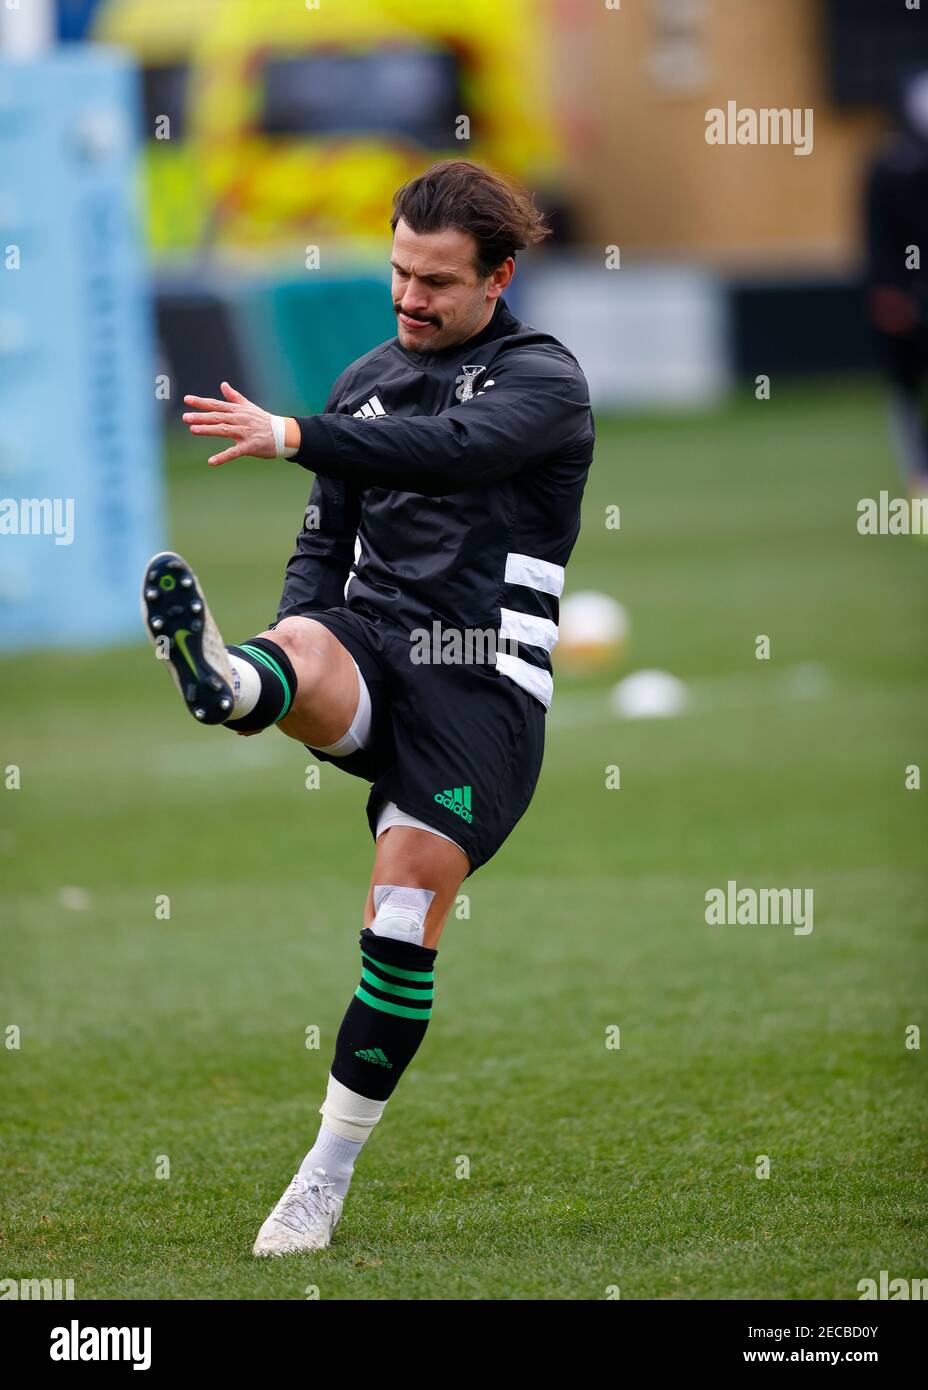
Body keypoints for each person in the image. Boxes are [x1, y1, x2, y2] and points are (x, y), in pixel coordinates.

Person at [142, 160, 595, 1255]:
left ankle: (322, 1174)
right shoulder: (362, 378)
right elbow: (320, 549)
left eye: (436, 281)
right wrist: (301, 614)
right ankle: (231, 680)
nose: (409, 297)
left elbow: (458, 452)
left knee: (398, 918)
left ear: (499, 277)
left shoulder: (543, 379)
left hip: (480, 688)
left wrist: (297, 434)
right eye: (399, 271)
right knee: (302, 636)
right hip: (369, 646)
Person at [865, 69, 928, 500]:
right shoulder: (889, 166)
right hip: (906, 297)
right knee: (905, 390)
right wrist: (889, 288)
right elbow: (876, 235)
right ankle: (918, 481)